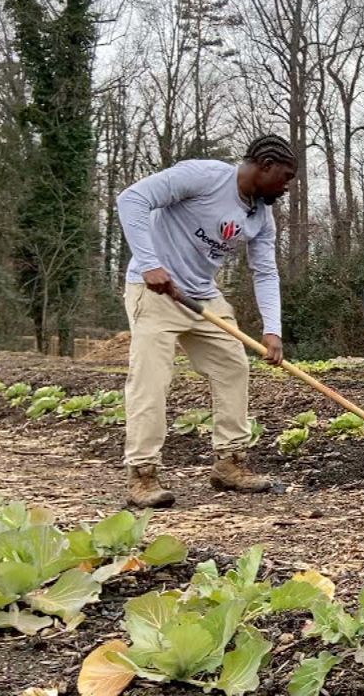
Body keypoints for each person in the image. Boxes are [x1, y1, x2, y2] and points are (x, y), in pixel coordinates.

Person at [116, 134, 298, 507]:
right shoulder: (203, 177)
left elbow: (265, 272)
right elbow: (132, 198)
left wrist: (272, 329)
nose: (287, 187)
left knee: (233, 367)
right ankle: (143, 474)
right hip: (154, 294)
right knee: (151, 379)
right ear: (264, 167)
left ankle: (229, 464)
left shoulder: (261, 216)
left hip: (201, 297)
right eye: (285, 177)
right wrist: (150, 263)